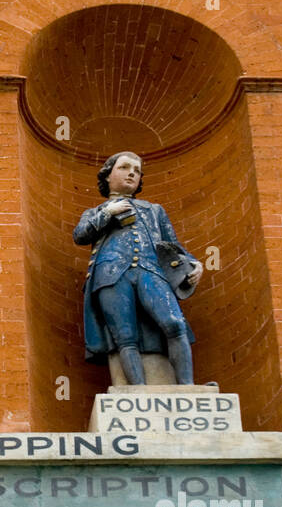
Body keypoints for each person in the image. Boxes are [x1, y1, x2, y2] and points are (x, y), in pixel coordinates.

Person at [74, 151, 203, 385]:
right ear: (108, 175)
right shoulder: (94, 212)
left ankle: (187, 386)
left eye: (137, 170)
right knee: (125, 335)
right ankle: (137, 389)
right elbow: (80, 235)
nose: (132, 172)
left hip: (150, 269)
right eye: (124, 167)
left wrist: (193, 263)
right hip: (110, 274)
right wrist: (108, 213)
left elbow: (172, 244)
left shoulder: (154, 210)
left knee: (174, 323)